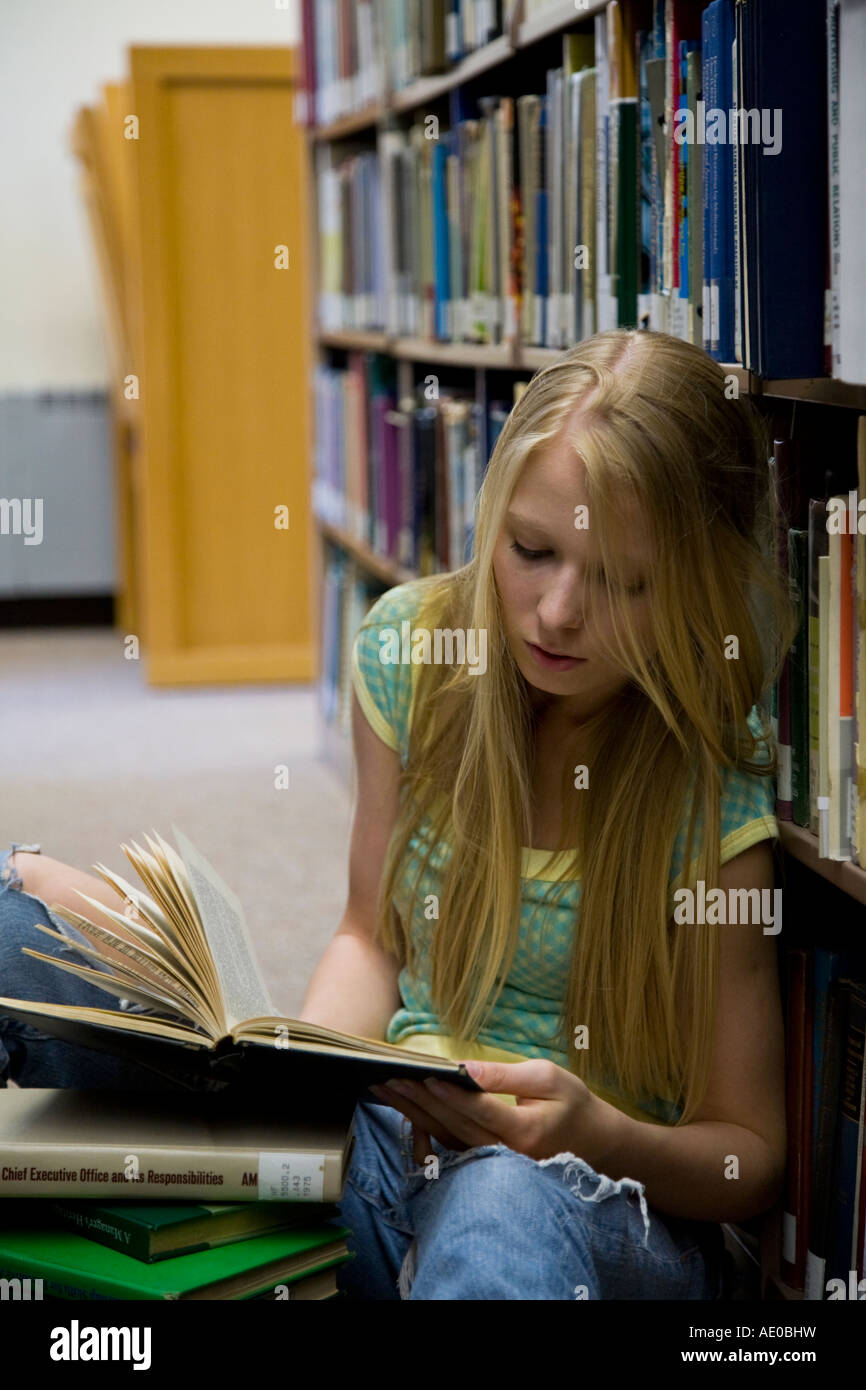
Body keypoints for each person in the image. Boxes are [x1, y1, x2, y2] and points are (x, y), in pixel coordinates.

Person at [0, 329, 796, 1300]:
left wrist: (591, 1130)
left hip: (586, 1211)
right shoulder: (414, 650)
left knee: (500, 1198)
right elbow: (369, 935)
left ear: (695, 583)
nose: (553, 612)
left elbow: (745, 1156)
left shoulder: (713, 760)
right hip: (393, 1156)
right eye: (529, 550)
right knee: (22, 925)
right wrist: (291, 1077)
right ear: (490, 516)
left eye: (623, 582)